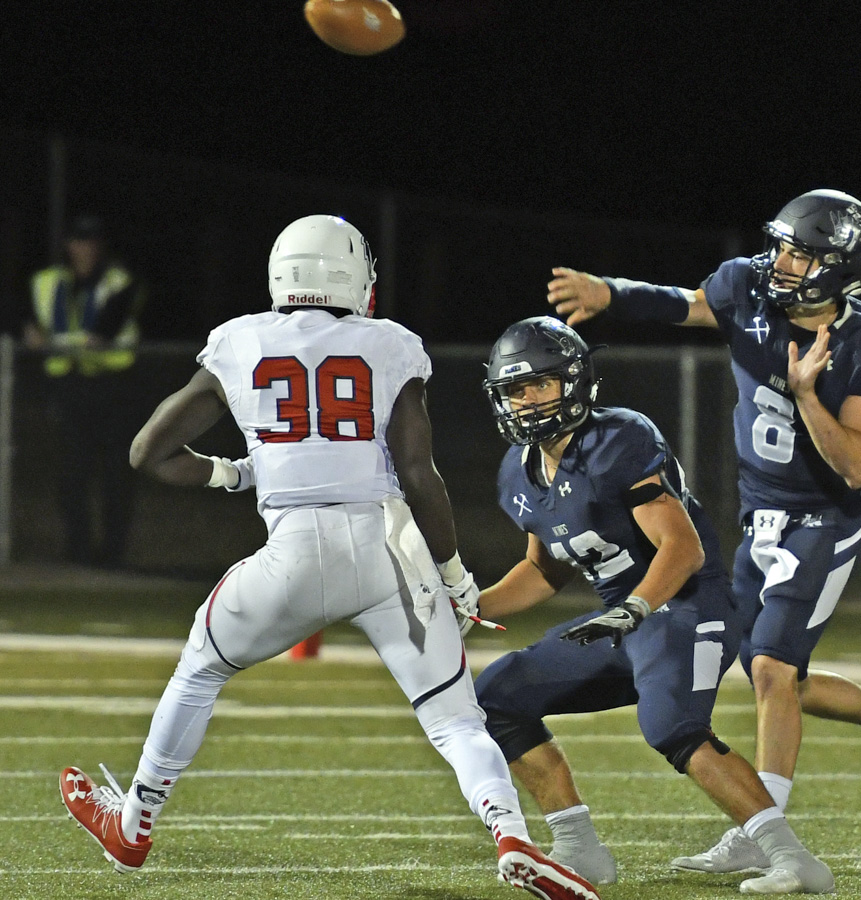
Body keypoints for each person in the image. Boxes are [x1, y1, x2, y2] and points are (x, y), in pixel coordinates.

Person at [56, 215, 597, 900]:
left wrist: (235, 472)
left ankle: (133, 824)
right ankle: (513, 836)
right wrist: (456, 576)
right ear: (351, 274)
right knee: (456, 719)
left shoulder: (241, 339)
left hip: (292, 553)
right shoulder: (390, 344)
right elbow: (417, 471)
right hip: (385, 548)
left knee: (200, 668)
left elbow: (148, 452)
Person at [546, 190, 861, 874]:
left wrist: (804, 396)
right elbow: (690, 304)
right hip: (758, 515)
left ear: (839, 268)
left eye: (801, 253)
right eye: (783, 245)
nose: (782, 262)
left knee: (770, 669)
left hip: (824, 518)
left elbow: (856, 465)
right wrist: (608, 294)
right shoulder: (747, 289)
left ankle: (762, 835)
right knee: (772, 673)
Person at [469, 316, 833, 894]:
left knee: (671, 725)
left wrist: (635, 608)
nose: (528, 401)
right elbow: (543, 569)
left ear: (577, 382)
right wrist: (471, 606)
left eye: (541, 384)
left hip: (689, 605)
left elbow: (681, 549)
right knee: (496, 697)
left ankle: (791, 857)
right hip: (622, 615)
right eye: (515, 389)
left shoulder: (619, 438)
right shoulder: (518, 471)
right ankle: (579, 848)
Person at [25, 213, 145, 566]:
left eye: (92, 241)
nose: (86, 249)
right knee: (72, 476)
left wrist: (51, 342)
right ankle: (77, 553)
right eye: (79, 241)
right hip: (71, 387)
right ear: (68, 245)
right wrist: (66, 343)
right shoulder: (47, 282)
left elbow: (103, 334)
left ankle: (113, 556)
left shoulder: (121, 281)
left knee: (116, 476)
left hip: (114, 389)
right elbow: (28, 326)